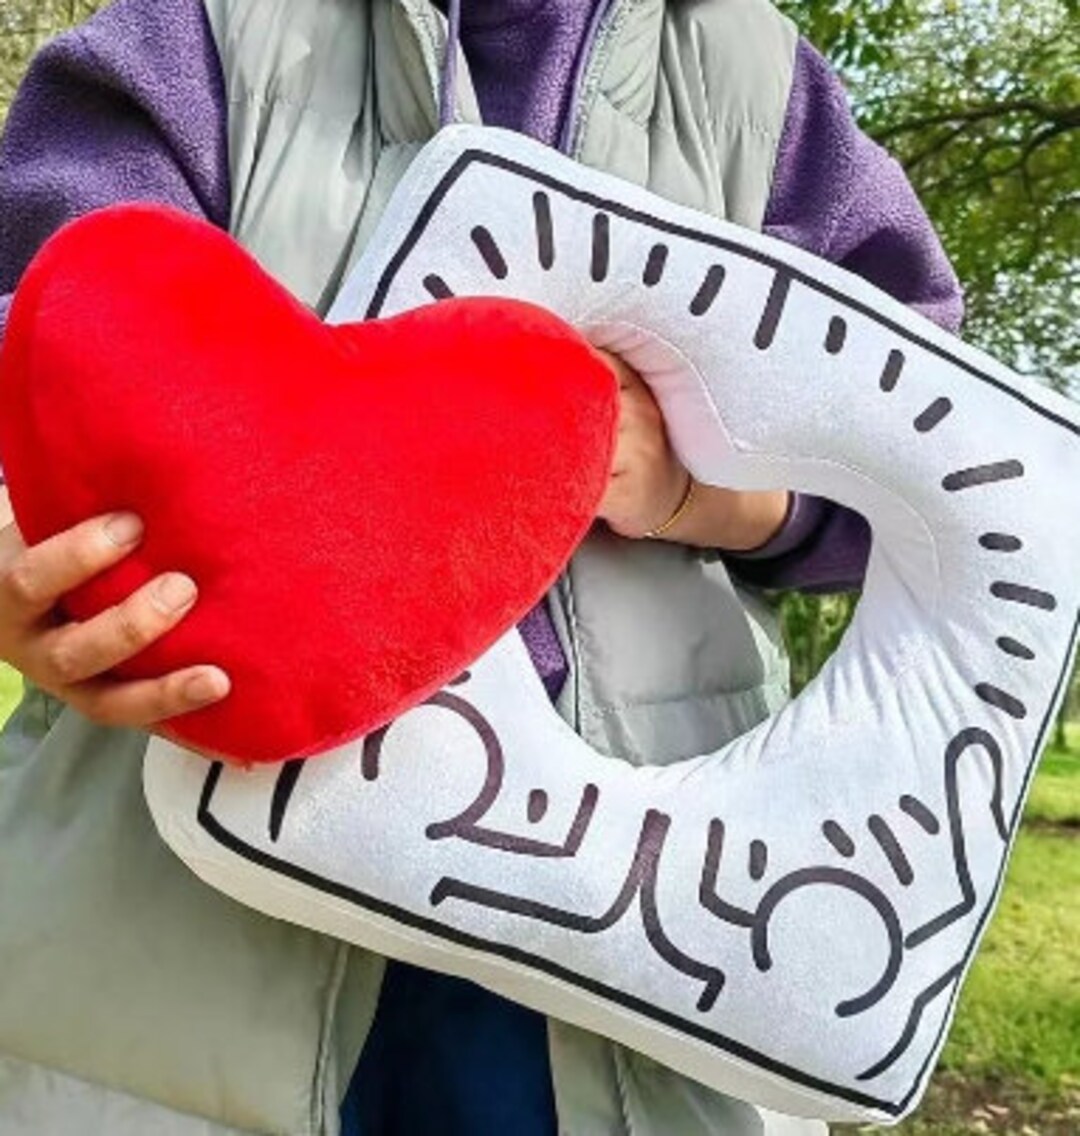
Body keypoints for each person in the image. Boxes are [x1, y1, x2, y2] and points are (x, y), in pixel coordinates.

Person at [0, 1, 963, 1133]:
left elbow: (933, 452)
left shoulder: (755, 88)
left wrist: (705, 491)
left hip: (624, 920)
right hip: (181, 902)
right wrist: (24, 543)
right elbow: (50, 327)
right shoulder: (201, 33)